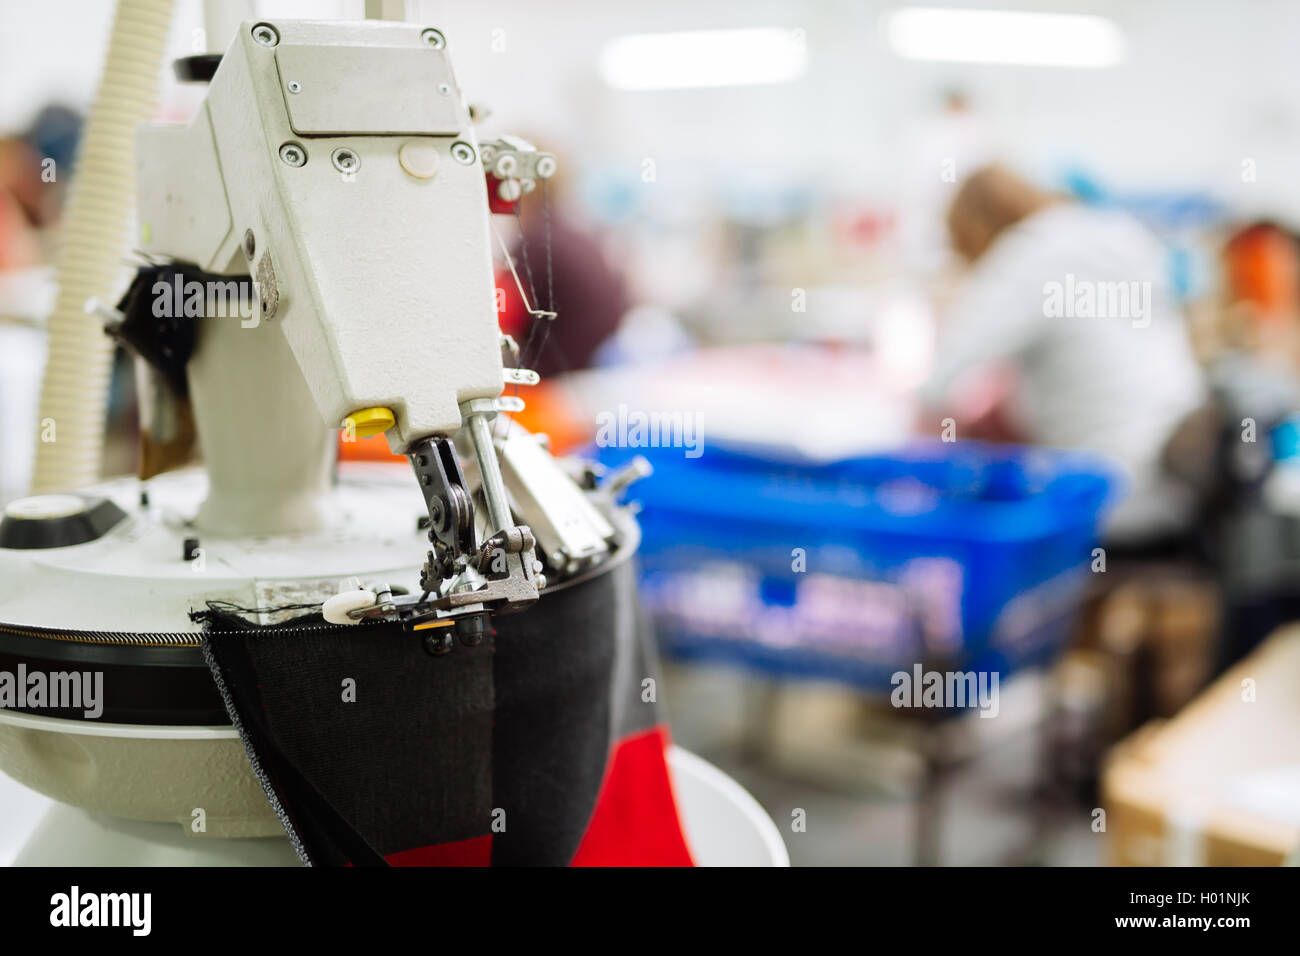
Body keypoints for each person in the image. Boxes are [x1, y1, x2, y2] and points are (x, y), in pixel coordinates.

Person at [922, 165, 1207, 547]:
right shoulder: (1118, 233)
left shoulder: (1029, 252)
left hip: (1106, 500)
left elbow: (941, 381)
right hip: (1183, 485)